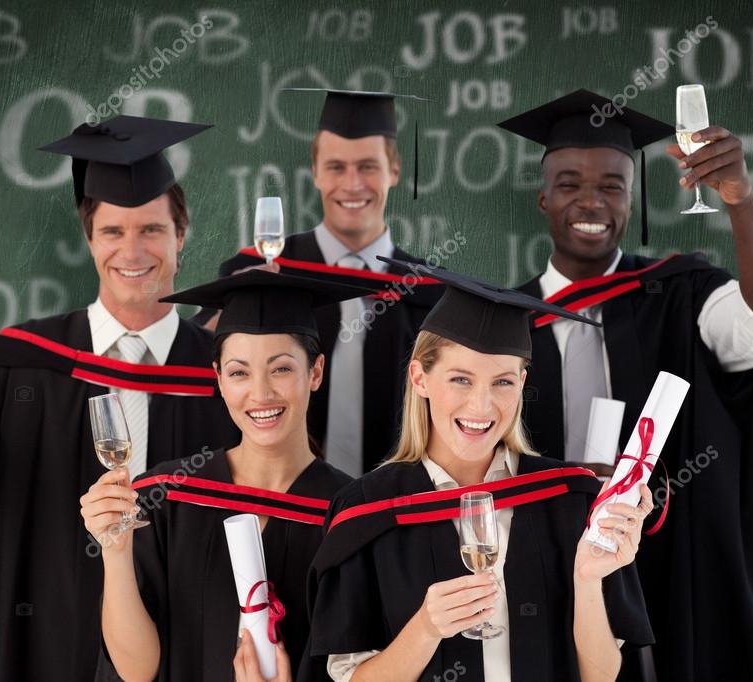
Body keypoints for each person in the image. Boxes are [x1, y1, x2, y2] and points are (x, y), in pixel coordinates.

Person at [0, 115, 238, 682]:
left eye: (151, 230)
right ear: (89, 239)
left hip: (196, 652)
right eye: (113, 231)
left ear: (181, 235)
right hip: (51, 646)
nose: (132, 250)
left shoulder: (228, 373)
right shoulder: (25, 361)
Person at [496, 89, 753, 681]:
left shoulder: (682, 291)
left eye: (612, 186)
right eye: (568, 184)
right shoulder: (500, 317)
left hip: (666, 557)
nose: (589, 200)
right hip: (536, 561)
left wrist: (741, 201)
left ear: (632, 200)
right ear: (543, 198)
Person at [308, 257, 655, 681]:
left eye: (502, 382)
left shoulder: (569, 500)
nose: (482, 405)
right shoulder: (366, 510)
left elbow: (600, 677)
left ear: (523, 385)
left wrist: (585, 580)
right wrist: (425, 629)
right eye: (460, 379)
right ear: (420, 378)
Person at [81, 270, 366, 681]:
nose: (261, 393)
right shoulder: (168, 498)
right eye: (238, 372)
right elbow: (137, 671)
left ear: (316, 372)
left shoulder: (352, 514)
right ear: (218, 378)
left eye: (282, 369)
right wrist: (115, 550)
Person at [195, 88, 443, 477]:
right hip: (280, 500)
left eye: (368, 167)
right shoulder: (256, 271)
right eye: (336, 167)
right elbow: (192, 367)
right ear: (315, 172)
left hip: (395, 505)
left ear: (394, 171)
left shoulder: (431, 291)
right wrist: (229, 310)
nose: (352, 183)